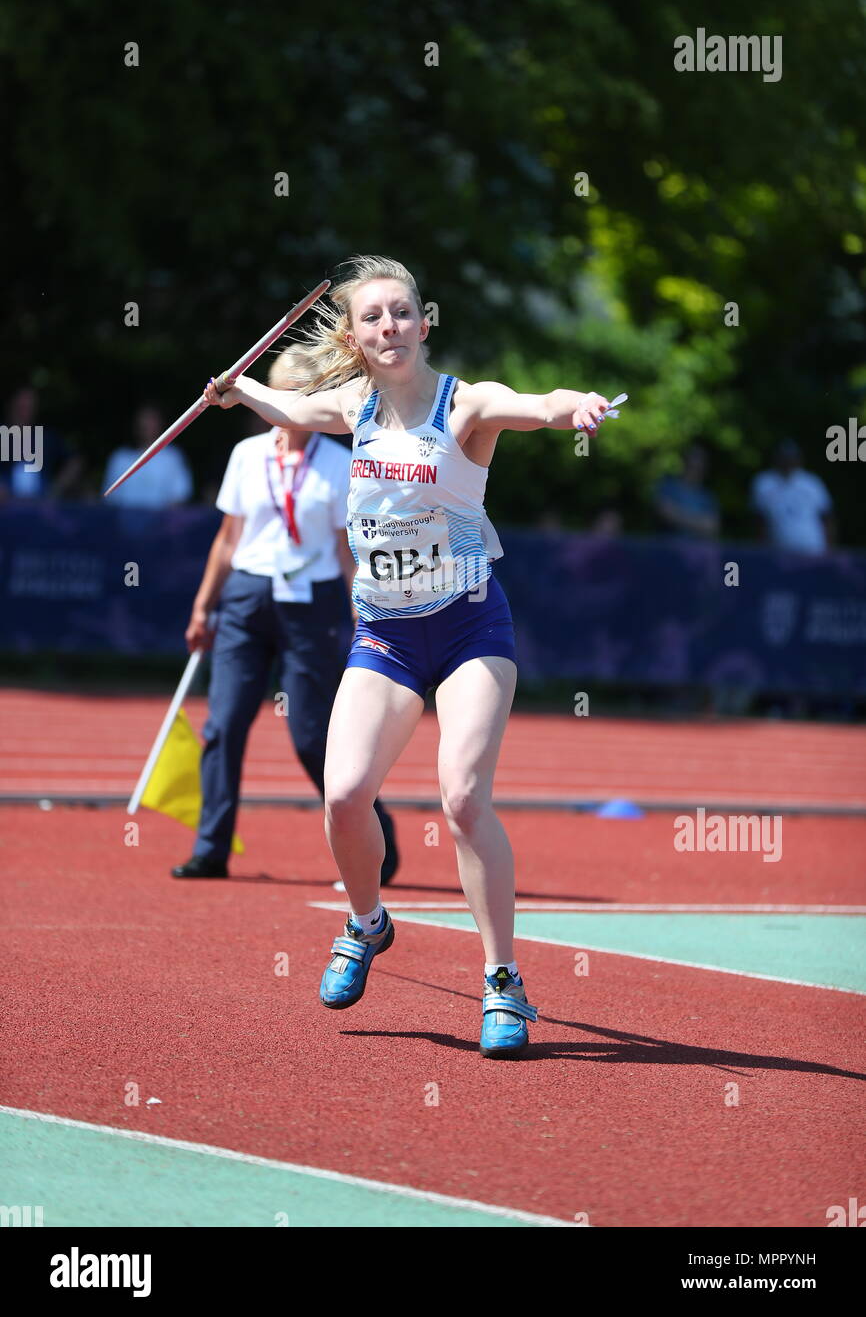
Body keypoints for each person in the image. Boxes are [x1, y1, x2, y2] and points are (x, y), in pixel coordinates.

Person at [203, 255, 610, 1058]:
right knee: (345, 793)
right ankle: (367, 923)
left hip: (467, 631)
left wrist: (579, 408)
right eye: (372, 318)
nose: (389, 327)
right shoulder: (353, 405)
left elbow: (538, 403)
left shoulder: (466, 408)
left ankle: (503, 982)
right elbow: (295, 404)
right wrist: (237, 391)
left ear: (425, 323)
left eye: (402, 313)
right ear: (356, 338)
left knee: (461, 800)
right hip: (385, 635)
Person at [173, 348, 400, 883]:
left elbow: (349, 553)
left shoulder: (341, 463)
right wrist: (204, 606)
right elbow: (228, 540)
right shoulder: (247, 456)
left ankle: (377, 838)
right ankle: (211, 849)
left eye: (307, 398)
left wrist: (363, 621)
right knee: (224, 724)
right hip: (247, 601)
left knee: (309, 733)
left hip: (312, 605)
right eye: (285, 398)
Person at [0, 386, 84, 502]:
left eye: (29, 407)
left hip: (42, 506)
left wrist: (57, 488)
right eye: (21, 407)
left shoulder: (47, 437)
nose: (24, 412)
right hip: (6, 507)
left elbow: (75, 461)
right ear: (11, 406)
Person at [750, 439, 834, 554]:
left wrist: (829, 550)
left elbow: (827, 517)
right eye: (784, 457)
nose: (787, 461)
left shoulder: (811, 483)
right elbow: (759, 521)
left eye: (791, 457)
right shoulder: (764, 482)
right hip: (778, 552)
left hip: (813, 550)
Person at [102, 403, 193, 506]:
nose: (147, 424)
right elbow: (110, 500)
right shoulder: (119, 458)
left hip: (161, 520)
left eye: (152, 419)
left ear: (160, 423)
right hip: (125, 520)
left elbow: (180, 497)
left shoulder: (173, 457)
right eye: (144, 419)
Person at [653, 442, 720, 538]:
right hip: (668, 550)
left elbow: (713, 527)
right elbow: (665, 514)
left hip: (697, 551)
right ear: (685, 461)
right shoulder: (668, 487)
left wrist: (678, 515)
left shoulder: (708, 496)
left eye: (701, 461)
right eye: (693, 460)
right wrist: (700, 522)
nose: (696, 465)